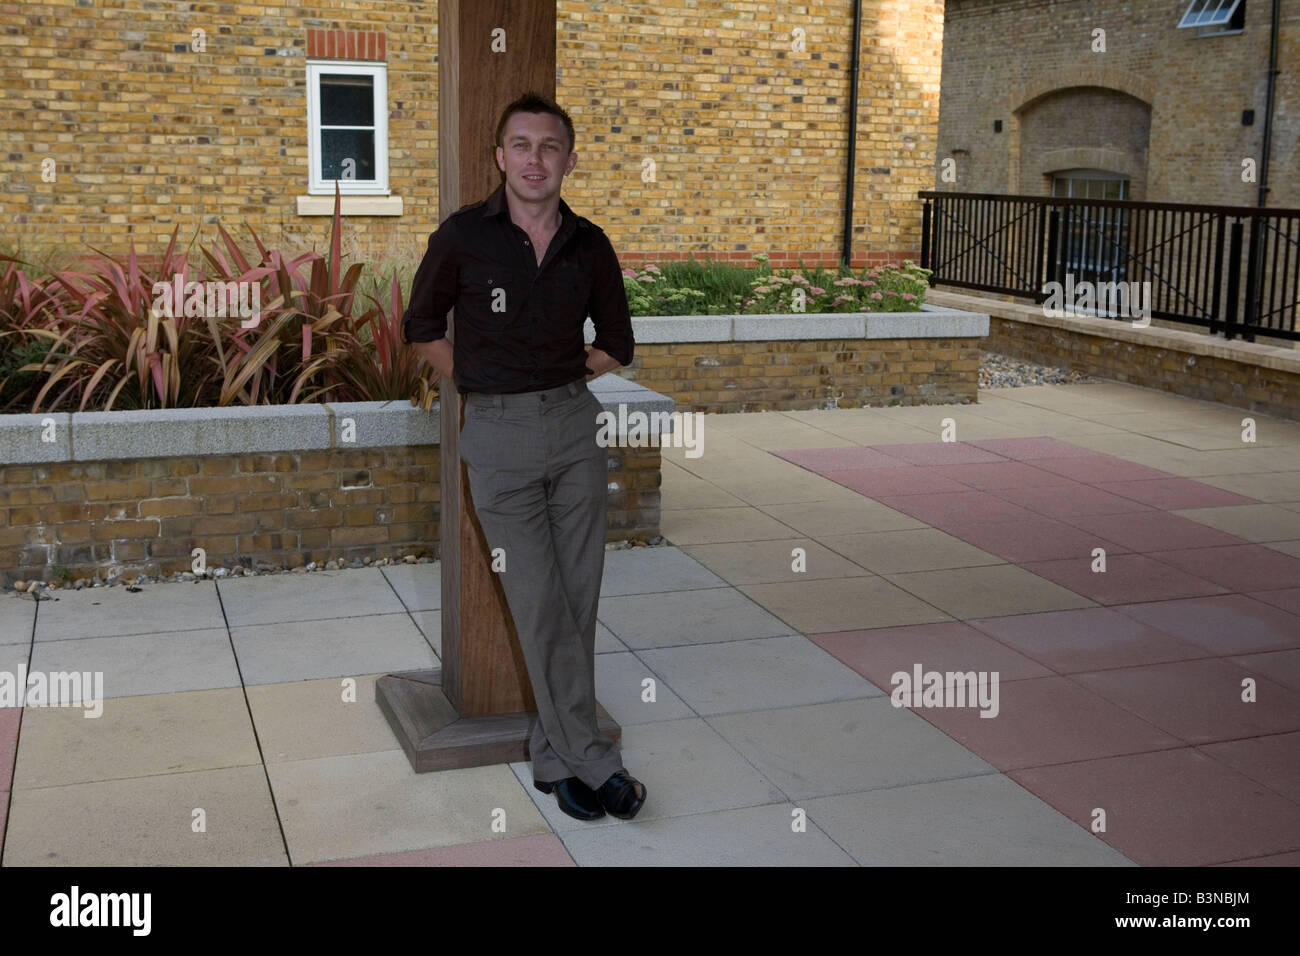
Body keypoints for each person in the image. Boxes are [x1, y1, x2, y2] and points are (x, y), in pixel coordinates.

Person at [400, 92, 646, 823]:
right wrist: (479, 379)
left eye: (549, 146)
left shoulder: (590, 243)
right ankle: (595, 759)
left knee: (577, 599)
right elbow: (420, 326)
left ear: (568, 160)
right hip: (499, 438)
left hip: (573, 428)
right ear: (500, 156)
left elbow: (618, 343)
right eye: (521, 145)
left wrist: (560, 375)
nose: (535, 159)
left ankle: (553, 755)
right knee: (538, 601)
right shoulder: (463, 237)